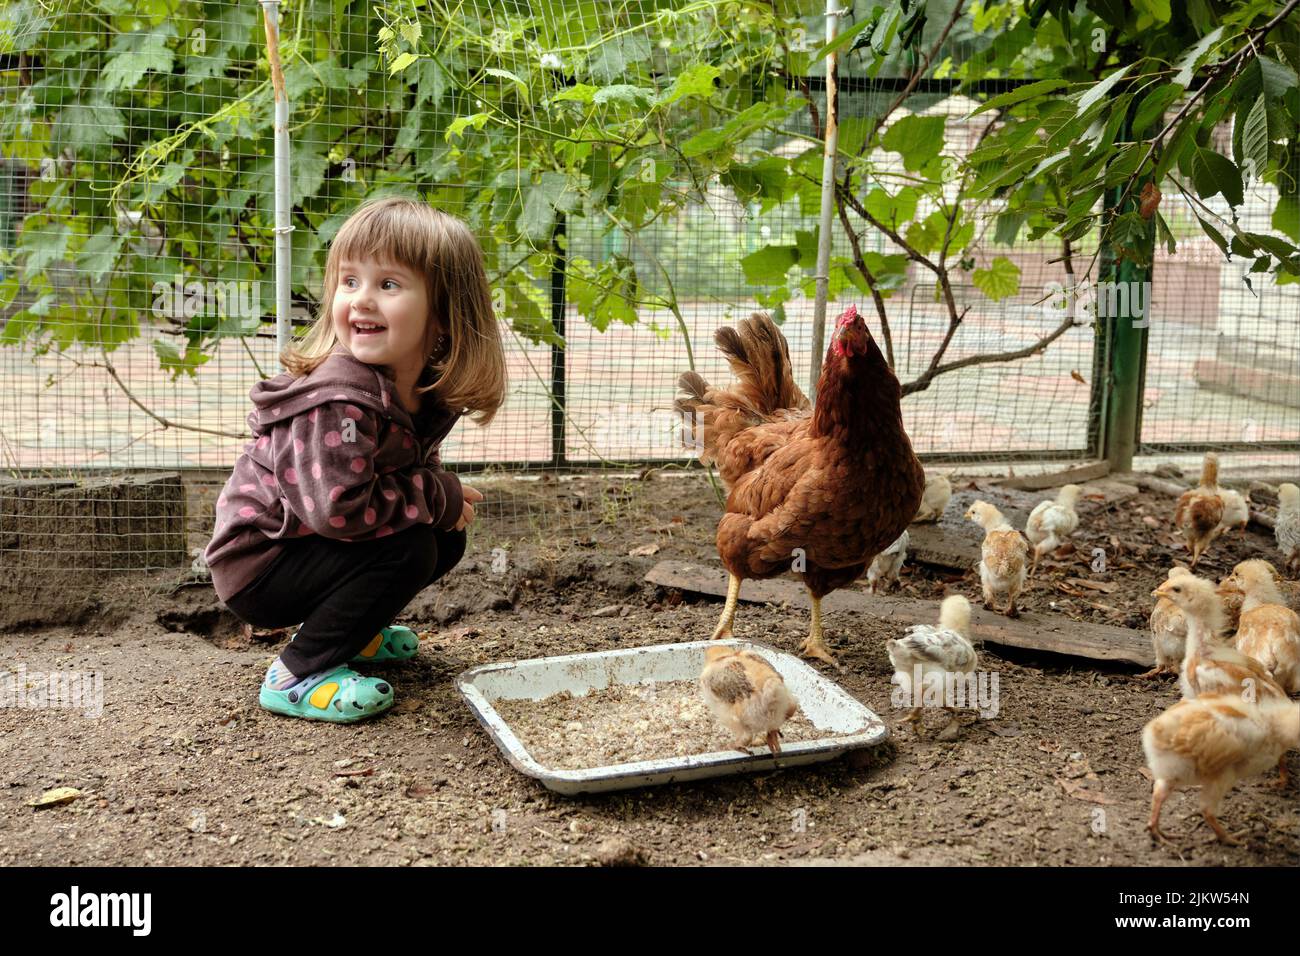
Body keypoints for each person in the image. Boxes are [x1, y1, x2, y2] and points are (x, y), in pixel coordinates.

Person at [203, 196, 507, 722]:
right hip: (261, 563)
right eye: (349, 281)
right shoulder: (339, 399)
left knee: (442, 537)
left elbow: (404, 472)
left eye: (387, 285)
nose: (361, 300)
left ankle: (350, 633)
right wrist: (437, 496)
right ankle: (297, 673)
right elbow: (339, 510)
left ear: (444, 312)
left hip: (309, 549)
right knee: (411, 547)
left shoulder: (420, 390)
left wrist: (437, 500)